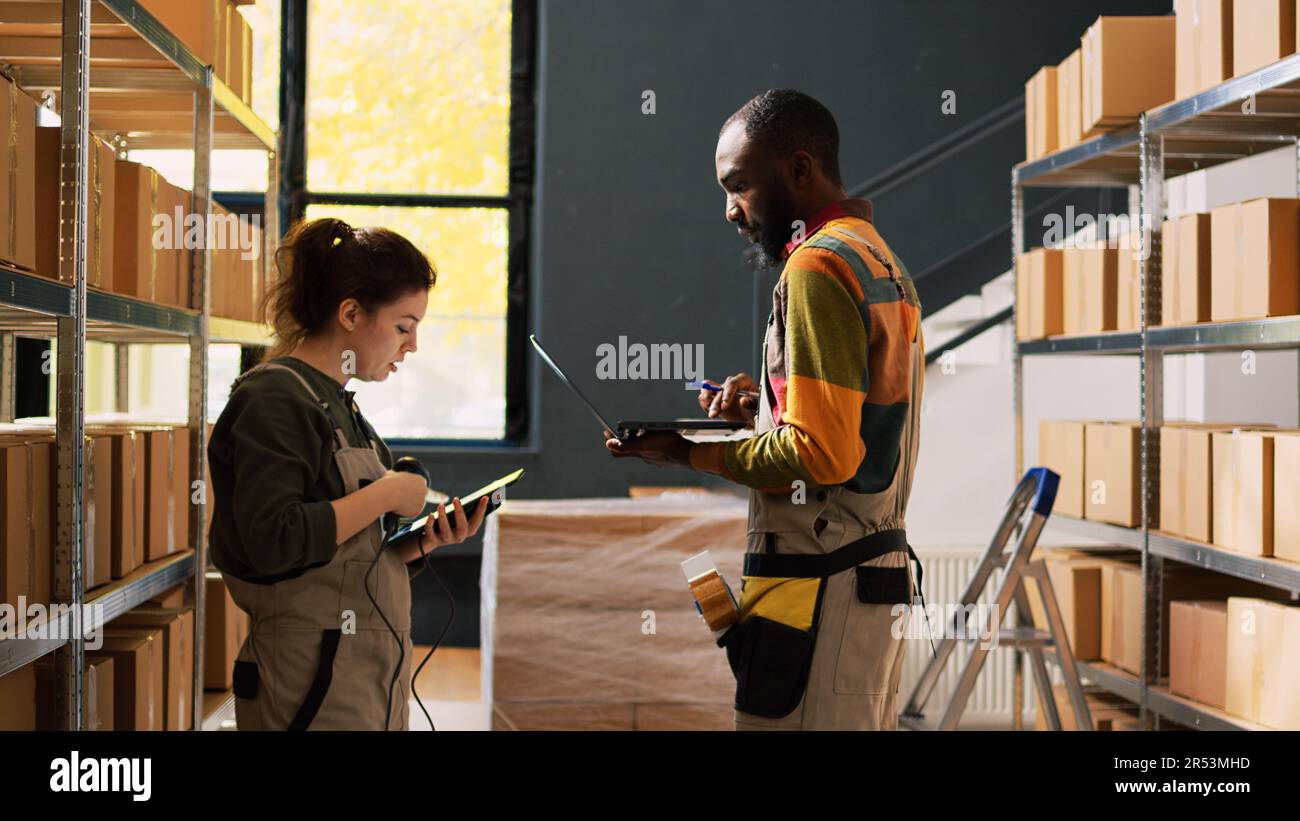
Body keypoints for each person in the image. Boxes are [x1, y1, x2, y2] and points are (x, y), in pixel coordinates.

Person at [606, 89, 925, 730]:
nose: (730, 210)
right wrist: (764, 411)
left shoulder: (815, 267)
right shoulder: (874, 255)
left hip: (818, 592)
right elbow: (855, 427)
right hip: (862, 587)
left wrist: (687, 450)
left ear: (800, 169)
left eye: (739, 185)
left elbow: (822, 455)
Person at [207, 217, 488, 730]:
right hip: (307, 688)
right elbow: (275, 540)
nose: (413, 345)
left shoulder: (338, 406)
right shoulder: (273, 400)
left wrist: (421, 541)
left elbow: (344, 552)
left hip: (362, 681)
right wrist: (385, 495)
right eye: (404, 326)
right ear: (351, 313)